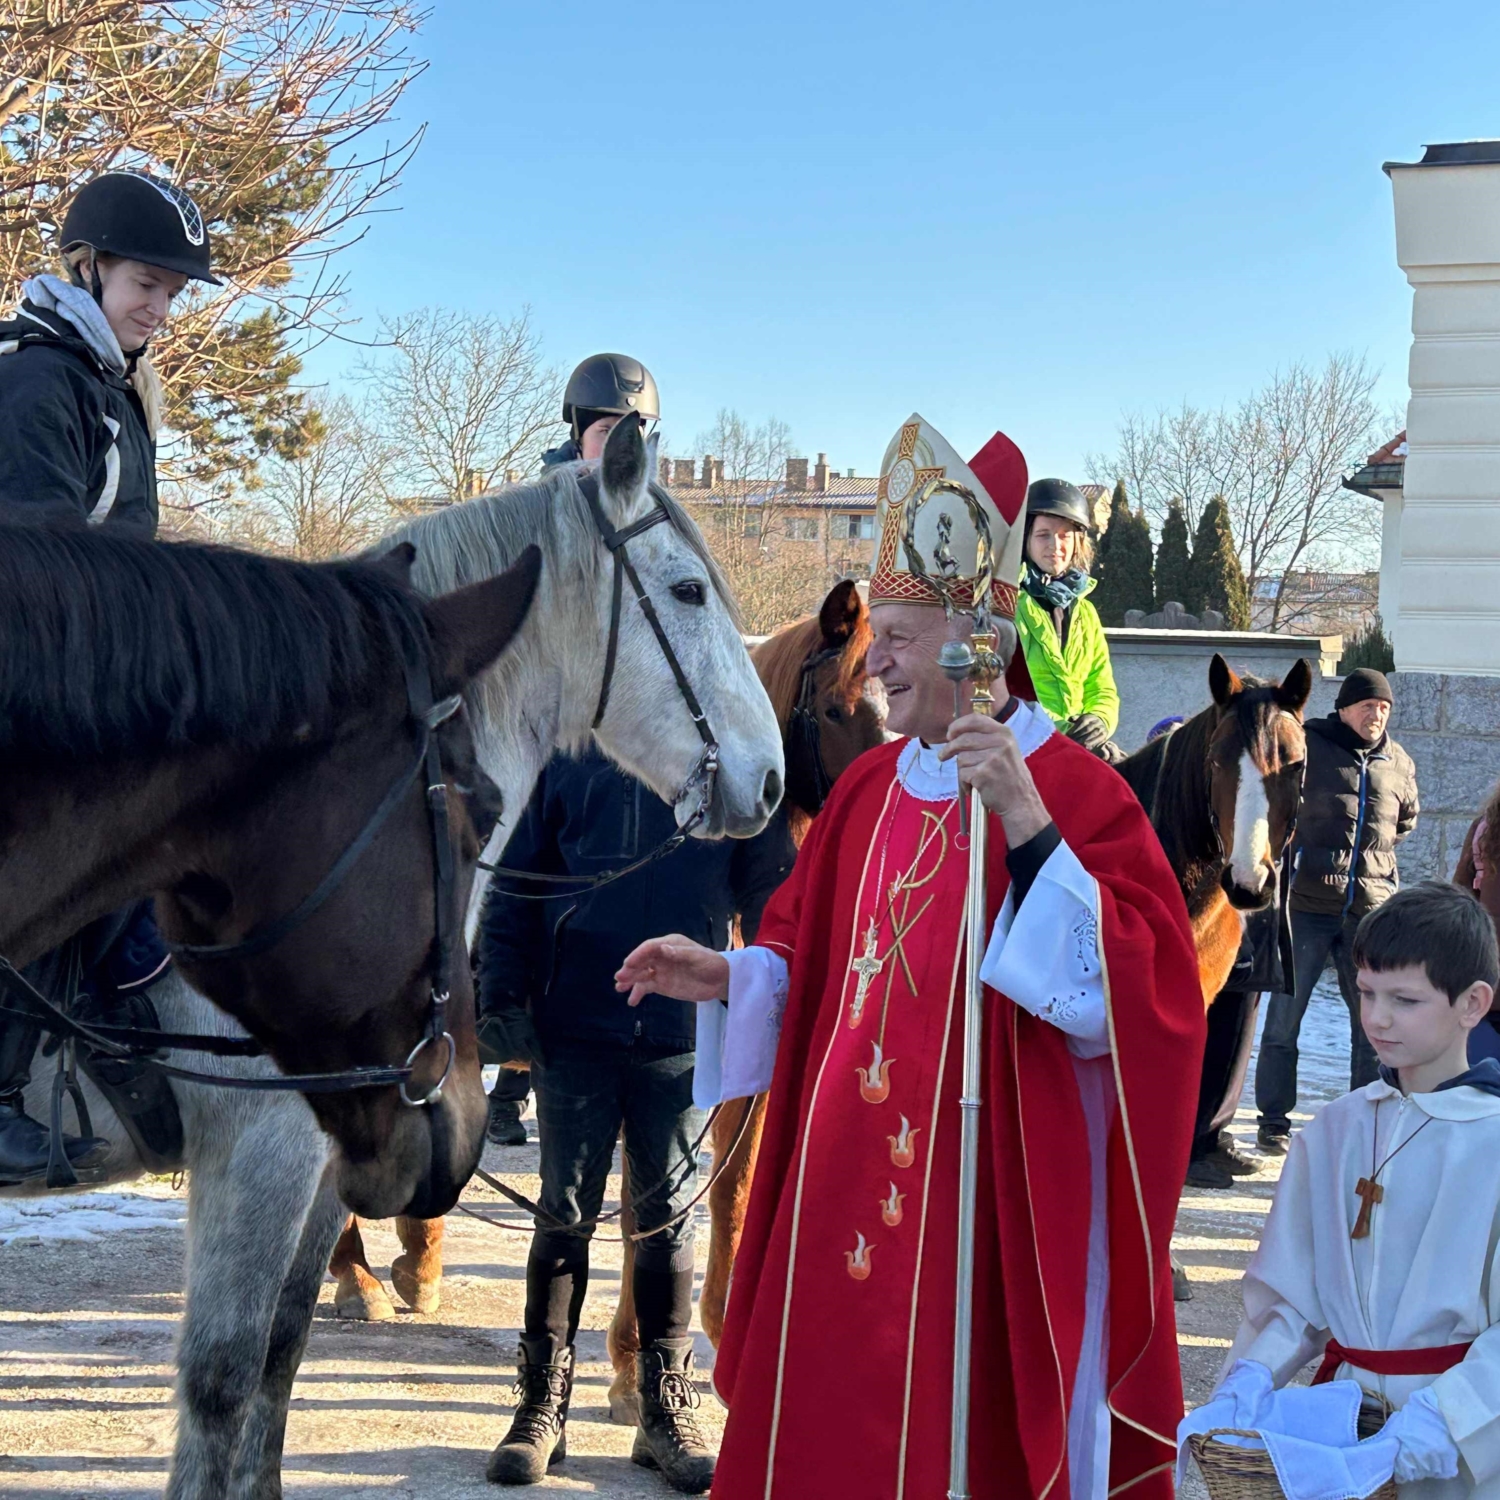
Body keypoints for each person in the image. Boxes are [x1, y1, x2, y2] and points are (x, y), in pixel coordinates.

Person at [613, 415, 1205, 1500]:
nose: (870, 659)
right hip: (839, 1185)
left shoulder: (1077, 792)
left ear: (975, 639)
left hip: (985, 1199)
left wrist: (1029, 828)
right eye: (874, 633)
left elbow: (1143, 995)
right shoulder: (870, 790)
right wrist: (735, 975)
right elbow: (815, 951)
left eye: (893, 633)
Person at [477, 752, 793, 1491]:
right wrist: (501, 998)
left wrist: (768, 996)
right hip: (573, 1022)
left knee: (667, 1221)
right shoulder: (568, 758)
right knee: (563, 1214)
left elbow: (776, 898)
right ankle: (539, 1406)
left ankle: (663, 1406)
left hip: (682, 1033)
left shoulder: (732, 771)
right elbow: (513, 887)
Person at [0, 169, 218, 1182]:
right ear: (87, 266)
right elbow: (43, 569)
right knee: (77, 833)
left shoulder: (107, 385)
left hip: (74, 673)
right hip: (28, 670)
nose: (159, 310)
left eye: (172, 292)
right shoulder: (40, 382)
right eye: (146, 283)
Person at [1183, 882, 1500, 1497]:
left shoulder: (1491, 1142)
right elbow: (1295, 1293)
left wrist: (1441, 1424)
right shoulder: (1334, 1130)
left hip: (1456, 1435)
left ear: (1472, 1004)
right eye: (1365, 992)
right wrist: (1250, 1379)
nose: (1377, 1018)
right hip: (1337, 1428)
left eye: (1405, 1000)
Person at [480, 351, 668, 1151]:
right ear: (577, 432)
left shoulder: (651, 512)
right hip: (542, 712)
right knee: (518, 862)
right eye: (606, 428)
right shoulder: (548, 505)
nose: (620, 441)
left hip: (607, 717)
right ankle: (501, 1030)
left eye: (636, 430)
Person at [1256, 668, 1420, 1155]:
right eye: (1368, 706)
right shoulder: (1309, 746)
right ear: (1345, 708)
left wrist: (1374, 870)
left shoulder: (1398, 761)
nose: (1376, 715)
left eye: (1384, 708)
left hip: (1369, 914)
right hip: (1305, 907)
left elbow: (1404, 820)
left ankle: (1363, 1121)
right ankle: (1273, 1121)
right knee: (1284, 1020)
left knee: (1373, 1026)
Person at [1013, 478, 1121, 759]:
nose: (1055, 545)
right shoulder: (1007, 604)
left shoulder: (1086, 612)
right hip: (1019, 749)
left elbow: (1101, 684)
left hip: (1077, 747)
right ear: (1025, 540)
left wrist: (1099, 721)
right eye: (1043, 534)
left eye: (1065, 535)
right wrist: (1064, 732)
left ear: (1078, 542)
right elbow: (1005, 691)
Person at [541, 352, 660, 467]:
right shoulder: (552, 487)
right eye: (606, 432)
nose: (621, 448)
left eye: (632, 434)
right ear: (580, 440)